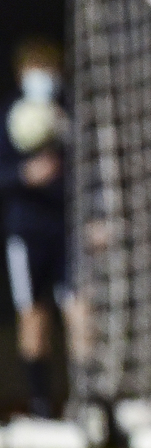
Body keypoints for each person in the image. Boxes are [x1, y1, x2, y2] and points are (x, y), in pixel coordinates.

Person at [1, 38, 68, 419]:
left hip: (67, 230)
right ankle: (41, 403)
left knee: (79, 309)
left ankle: (91, 396)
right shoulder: (10, 115)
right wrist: (25, 175)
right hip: (27, 231)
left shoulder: (69, 114)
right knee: (33, 314)